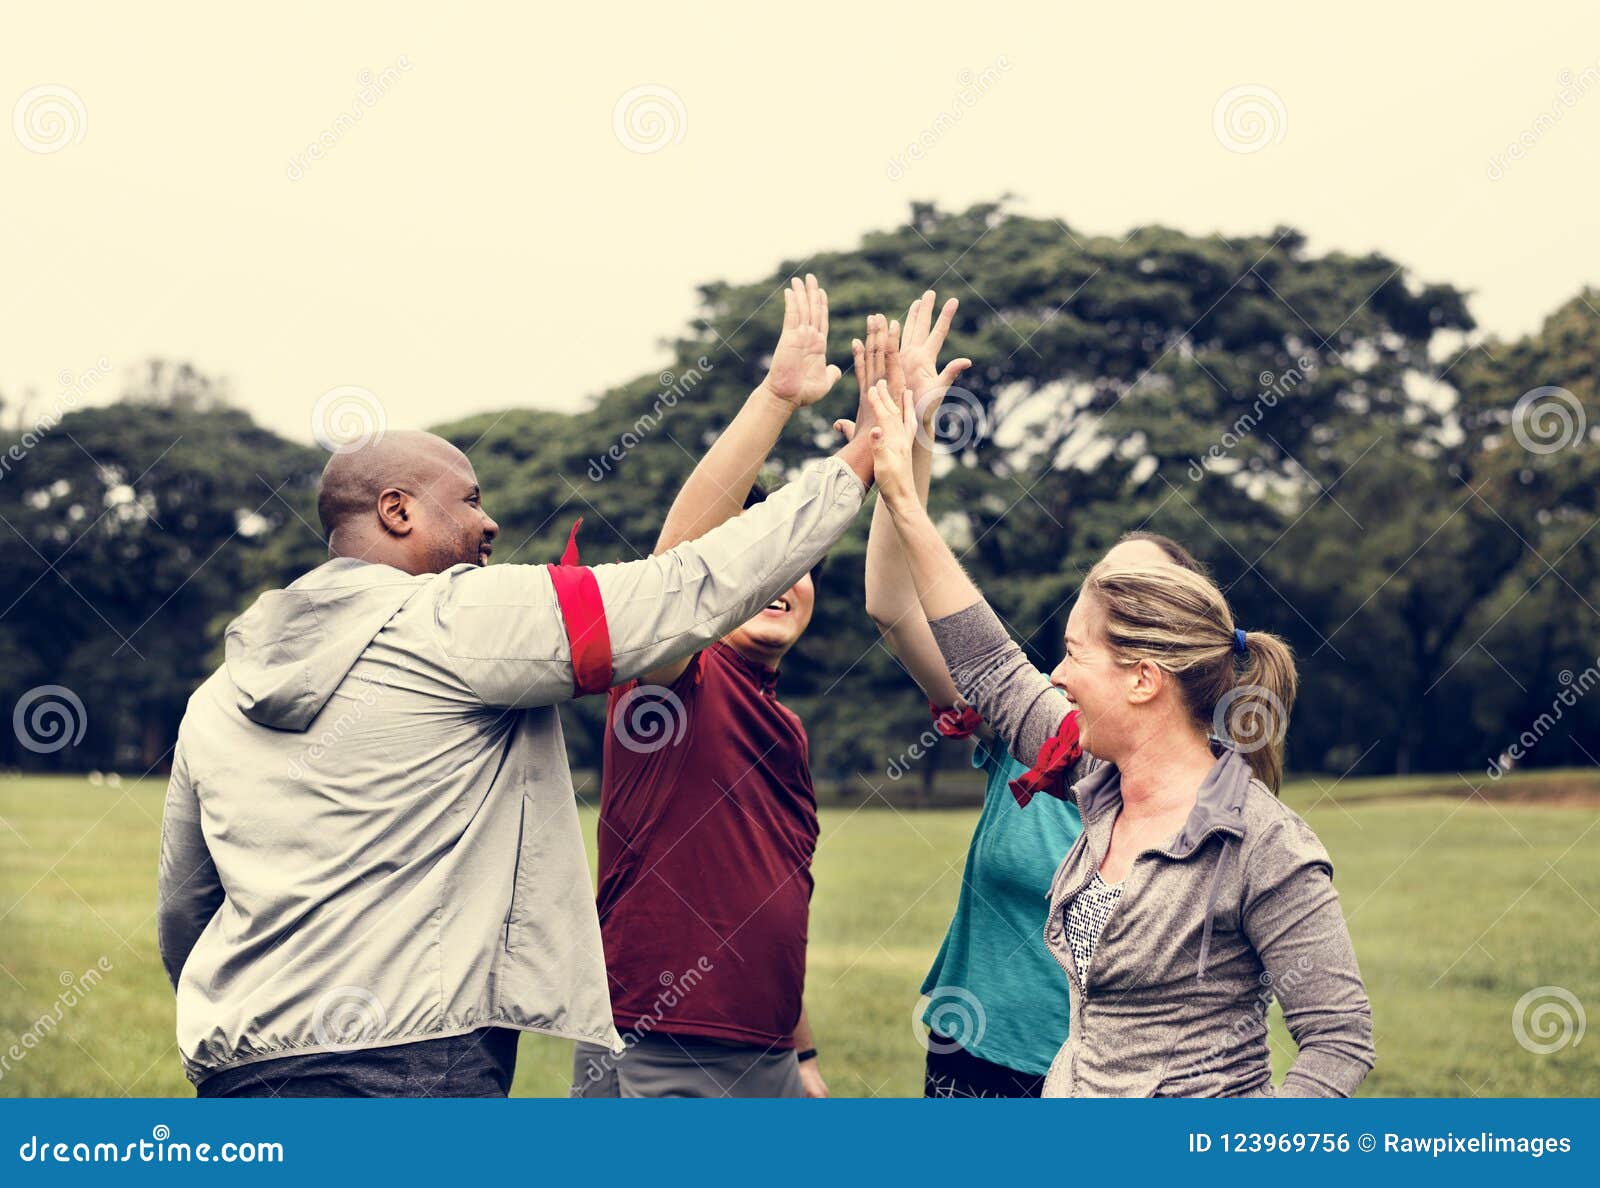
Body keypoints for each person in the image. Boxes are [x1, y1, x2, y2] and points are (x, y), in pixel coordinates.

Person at [157, 275, 880, 1097]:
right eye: (468, 502)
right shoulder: (460, 616)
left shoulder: (216, 696)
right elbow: (683, 588)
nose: (489, 524)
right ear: (397, 512)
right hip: (410, 1063)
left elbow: (185, 908)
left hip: (242, 1067)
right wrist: (860, 459)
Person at [860, 377, 1376, 1097]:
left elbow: (1339, 1037)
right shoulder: (1095, 781)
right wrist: (905, 497)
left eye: (1076, 654)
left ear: (1142, 679)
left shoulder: (1263, 844)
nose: (1058, 677)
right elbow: (987, 661)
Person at [856, 296, 1208, 1097]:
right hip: (975, 1057)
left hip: (1111, 1085)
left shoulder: (1211, 792)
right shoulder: (1030, 723)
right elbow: (892, 604)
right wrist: (908, 440)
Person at [571, 297, 888, 1100]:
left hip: (768, 1053)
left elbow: (767, 902)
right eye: (757, 565)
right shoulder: (675, 681)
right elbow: (676, 567)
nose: (781, 581)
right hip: (661, 1042)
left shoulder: (781, 719)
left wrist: (800, 1053)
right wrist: (776, 399)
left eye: (796, 564)